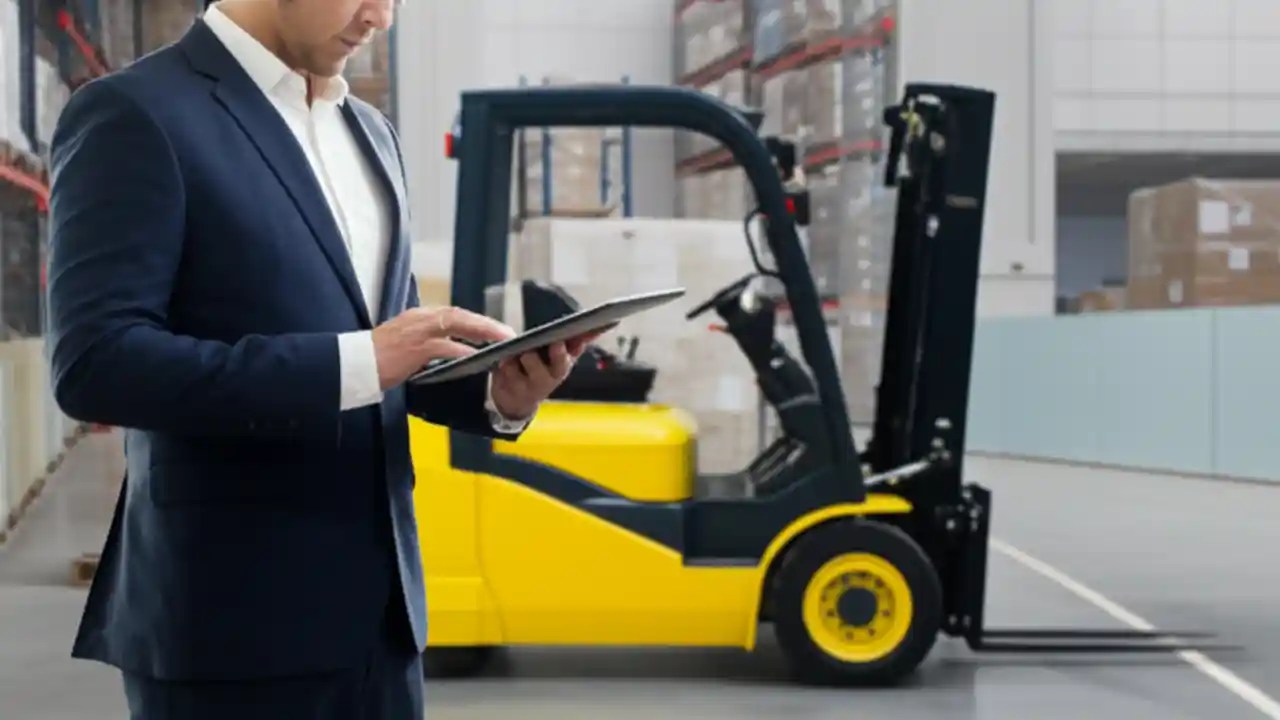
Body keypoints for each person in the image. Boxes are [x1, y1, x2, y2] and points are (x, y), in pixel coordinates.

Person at [45, 0, 592, 717]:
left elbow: (389, 355)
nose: (381, 17)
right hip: (228, 627)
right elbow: (97, 362)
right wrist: (358, 361)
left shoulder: (370, 133)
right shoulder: (136, 114)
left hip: (383, 625)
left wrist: (499, 395)